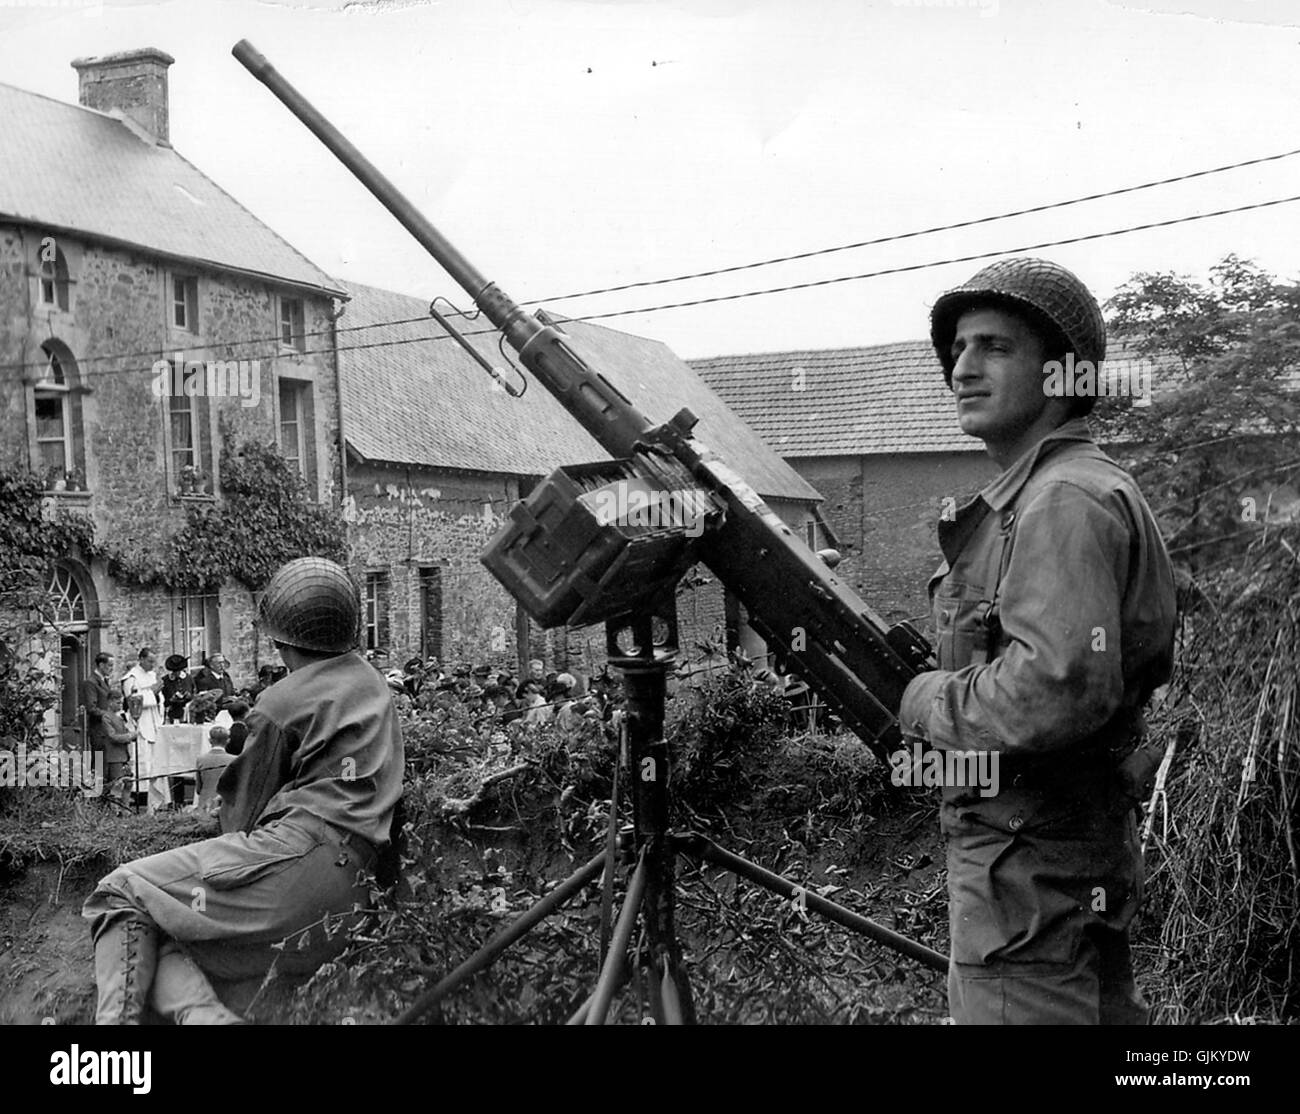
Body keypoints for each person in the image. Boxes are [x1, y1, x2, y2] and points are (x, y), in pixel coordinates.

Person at [896, 257, 1176, 1025]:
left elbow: (1054, 690)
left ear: (1061, 376)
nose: (963, 368)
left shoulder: (1062, 499)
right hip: (1044, 870)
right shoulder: (1051, 492)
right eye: (957, 348)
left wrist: (922, 700)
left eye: (993, 347)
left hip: (1030, 887)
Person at [83, 556, 405, 1025]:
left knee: (120, 892)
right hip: (354, 894)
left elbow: (240, 817)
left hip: (295, 867)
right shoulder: (374, 684)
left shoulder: (282, 701)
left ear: (279, 640)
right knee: (169, 929)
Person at [121, 648, 165, 810]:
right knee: (141, 757)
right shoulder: (131, 678)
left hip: (153, 721)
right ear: (141, 659)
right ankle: (139, 794)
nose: (152, 665)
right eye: (149, 661)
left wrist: (158, 695)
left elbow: (160, 699)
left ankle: (153, 794)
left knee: (153, 758)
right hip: (139, 722)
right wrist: (152, 693)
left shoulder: (152, 675)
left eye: (154, 661)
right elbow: (132, 700)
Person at [194, 726, 234, 814]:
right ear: (228, 741)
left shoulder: (200, 759)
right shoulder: (234, 760)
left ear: (210, 740)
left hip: (204, 805)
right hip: (225, 806)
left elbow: (198, 788)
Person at [160, 654, 193, 724]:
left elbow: (194, 694)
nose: (177, 673)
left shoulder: (188, 678)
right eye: (175, 671)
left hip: (187, 713)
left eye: (179, 671)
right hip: (172, 713)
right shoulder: (165, 680)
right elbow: (162, 700)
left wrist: (189, 696)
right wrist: (171, 700)